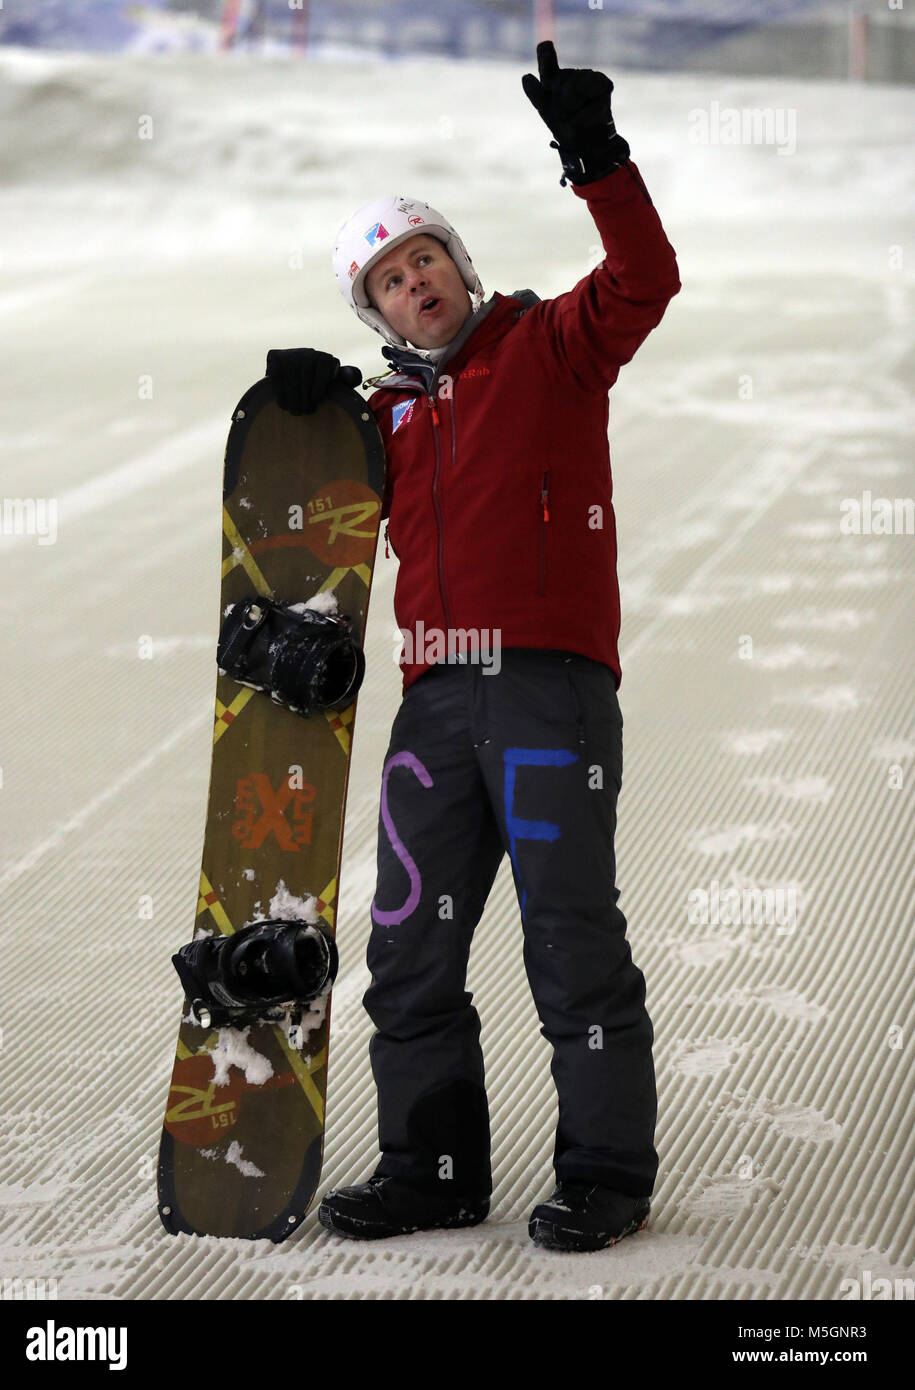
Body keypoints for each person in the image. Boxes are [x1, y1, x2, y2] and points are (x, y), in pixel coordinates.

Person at [265, 42, 680, 1252]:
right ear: (374, 307)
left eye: (426, 256)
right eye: (387, 278)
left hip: (550, 692)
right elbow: (300, 534)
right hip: (435, 702)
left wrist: (594, 162)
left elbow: (646, 276)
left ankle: (604, 1170)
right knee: (406, 949)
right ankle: (434, 1166)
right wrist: (301, 409)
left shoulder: (551, 347)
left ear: (459, 263)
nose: (414, 282)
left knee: (569, 942)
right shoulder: (382, 420)